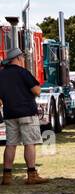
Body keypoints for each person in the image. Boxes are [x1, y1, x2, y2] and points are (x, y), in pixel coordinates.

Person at [0, 53, 49, 185]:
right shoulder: (23, 72)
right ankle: (32, 175)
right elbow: (37, 91)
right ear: (17, 58)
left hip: (10, 113)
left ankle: (7, 176)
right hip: (26, 112)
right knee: (29, 143)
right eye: (21, 57)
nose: (23, 59)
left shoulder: (1, 74)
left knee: (10, 144)